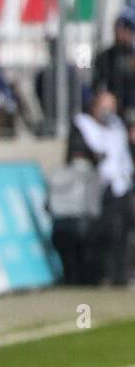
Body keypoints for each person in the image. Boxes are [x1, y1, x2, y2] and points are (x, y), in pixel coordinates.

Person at [67, 87, 132, 285]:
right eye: (104, 106)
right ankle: (97, 275)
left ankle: (119, 274)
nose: (108, 111)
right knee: (101, 233)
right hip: (93, 188)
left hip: (120, 186)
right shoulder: (83, 125)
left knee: (121, 232)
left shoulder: (117, 126)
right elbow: (76, 155)